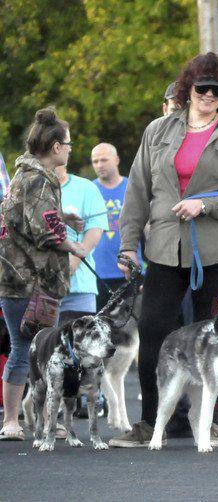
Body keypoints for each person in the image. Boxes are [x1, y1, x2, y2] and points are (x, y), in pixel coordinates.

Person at [110, 52, 218, 447]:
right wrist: (128, 245)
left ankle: (208, 421)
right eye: (203, 87)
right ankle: (151, 422)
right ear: (188, 88)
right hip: (162, 246)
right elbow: (138, 192)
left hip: (214, 250)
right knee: (155, 330)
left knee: (214, 334)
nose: (210, 94)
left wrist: (207, 203)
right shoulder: (158, 129)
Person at [0, 108, 87, 441]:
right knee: (33, 350)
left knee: (27, 350)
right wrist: (74, 246)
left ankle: (20, 419)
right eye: (67, 143)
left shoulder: (27, 175)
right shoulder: (40, 180)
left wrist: (62, 216)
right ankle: (16, 420)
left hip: (16, 280)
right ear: (54, 147)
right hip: (31, 283)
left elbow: (28, 218)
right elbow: (44, 232)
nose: (69, 149)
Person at [56, 163, 109, 322]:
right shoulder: (31, 189)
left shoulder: (86, 188)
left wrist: (76, 259)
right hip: (39, 290)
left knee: (81, 344)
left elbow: (96, 227)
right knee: (41, 345)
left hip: (79, 287)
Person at [91, 143, 131, 310]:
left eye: (104, 160)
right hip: (97, 274)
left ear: (116, 160)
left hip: (129, 272)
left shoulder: (131, 187)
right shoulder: (89, 190)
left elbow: (147, 227)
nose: (99, 165)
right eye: (95, 161)